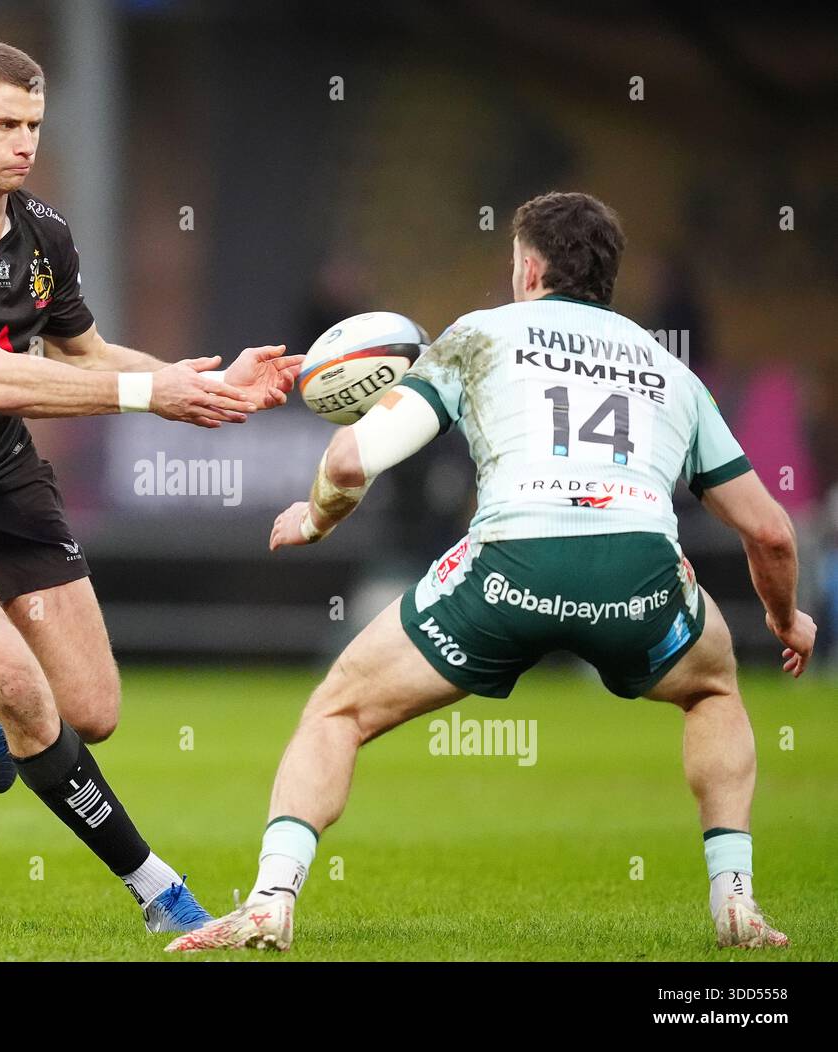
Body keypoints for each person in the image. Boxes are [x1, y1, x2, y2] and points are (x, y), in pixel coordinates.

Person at [167, 191, 816, 953]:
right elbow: (770, 533)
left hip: (509, 569)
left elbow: (347, 461)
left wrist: (314, 520)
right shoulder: (672, 372)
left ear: (529, 268)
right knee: (713, 691)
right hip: (638, 576)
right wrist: (785, 619)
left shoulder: (479, 335)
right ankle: (735, 901)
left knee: (337, 711)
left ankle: (270, 902)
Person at [0, 40, 301, 935]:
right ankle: (160, 891)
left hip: (3, 479)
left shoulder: (45, 232)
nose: (24, 143)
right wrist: (148, 397)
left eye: (35, 125)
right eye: (4, 123)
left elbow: (85, 355)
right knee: (18, 681)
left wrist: (200, 382)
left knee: (92, 712)